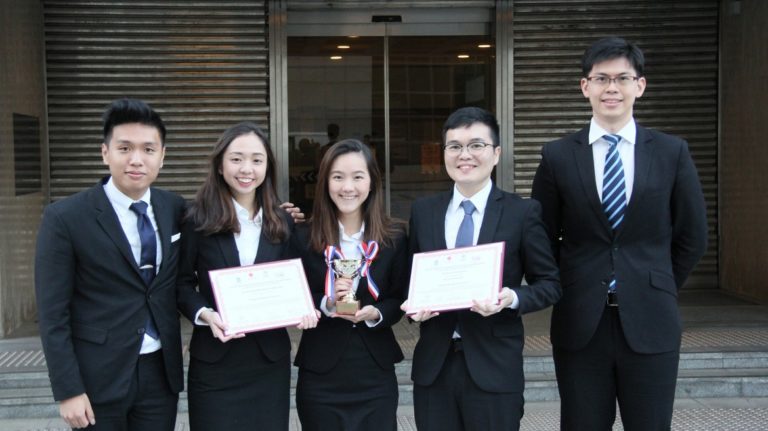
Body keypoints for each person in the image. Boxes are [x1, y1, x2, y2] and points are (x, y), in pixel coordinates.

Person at [531, 37, 708, 430]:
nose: (612, 88)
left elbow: (693, 235)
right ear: (585, 86)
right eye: (601, 78)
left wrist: (656, 280)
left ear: (639, 86)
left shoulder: (670, 152)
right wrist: (569, 281)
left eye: (622, 78)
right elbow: (540, 237)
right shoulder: (557, 155)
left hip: (651, 318)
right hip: (581, 322)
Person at [406, 106, 561, 431]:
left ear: (496, 154)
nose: (465, 155)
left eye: (476, 145)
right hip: (435, 367)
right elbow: (413, 282)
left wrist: (511, 298)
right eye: (455, 146)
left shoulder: (522, 212)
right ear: (444, 153)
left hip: (494, 366)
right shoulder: (424, 212)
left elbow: (549, 283)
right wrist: (413, 308)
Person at [35, 98, 185, 430]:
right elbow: (52, 313)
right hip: (96, 377)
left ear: (162, 156)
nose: (136, 159)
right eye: (124, 148)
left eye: (148, 149)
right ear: (105, 153)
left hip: (160, 373)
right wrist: (68, 390)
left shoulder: (174, 207)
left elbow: (220, 227)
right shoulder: (65, 217)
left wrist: (282, 216)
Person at [176, 122, 319, 430]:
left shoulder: (282, 221)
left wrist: (302, 309)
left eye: (257, 159)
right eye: (236, 158)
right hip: (215, 361)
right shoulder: (197, 218)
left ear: (267, 166)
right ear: (219, 165)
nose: (246, 168)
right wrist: (205, 314)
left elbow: (295, 280)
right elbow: (183, 282)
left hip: (268, 362)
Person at [291, 139, 407, 431]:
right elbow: (294, 293)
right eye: (338, 177)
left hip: (375, 372)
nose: (348, 187)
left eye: (358, 177)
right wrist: (326, 303)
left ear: (372, 182)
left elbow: (399, 298)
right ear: (325, 182)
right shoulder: (303, 236)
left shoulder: (394, 237)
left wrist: (376, 313)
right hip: (321, 373)